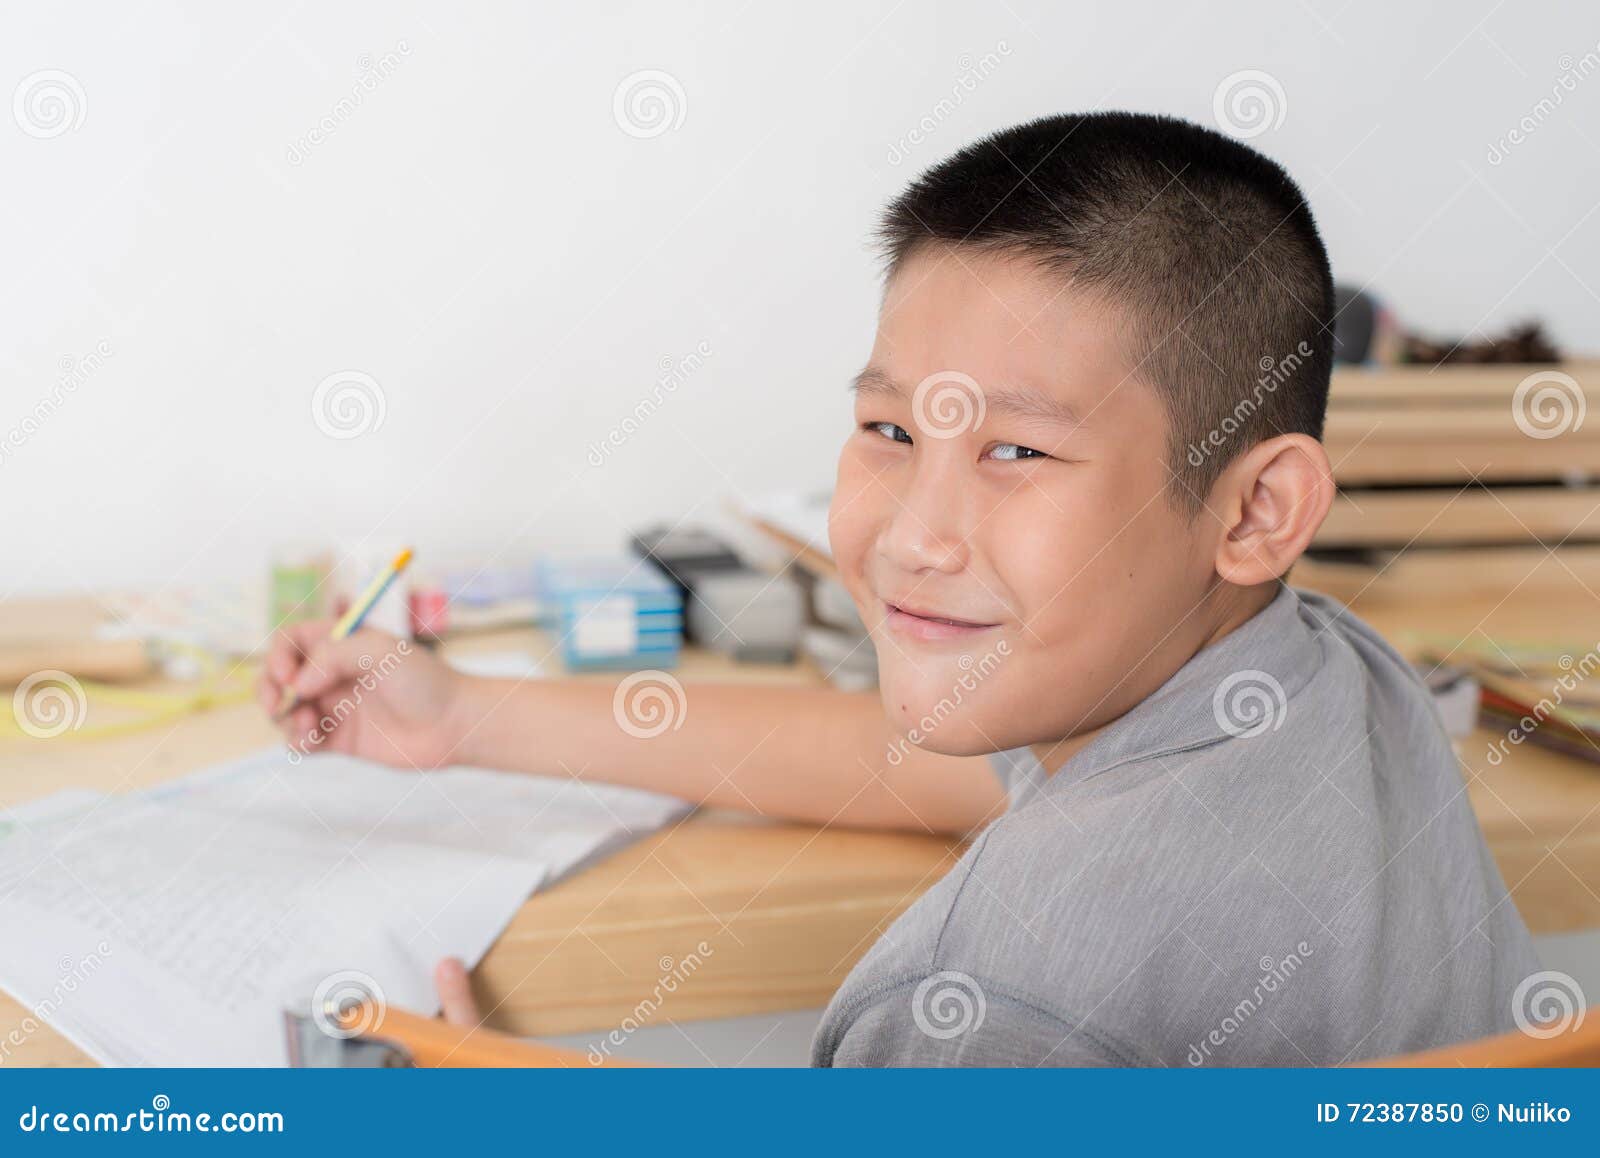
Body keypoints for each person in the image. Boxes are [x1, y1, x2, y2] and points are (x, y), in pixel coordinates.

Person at [259, 111, 1538, 1066]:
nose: (912, 534)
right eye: (887, 433)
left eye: (1018, 452)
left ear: (1257, 508)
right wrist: (466, 716)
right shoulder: (1317, 680)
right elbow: (909, 763)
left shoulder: (989, 1002)